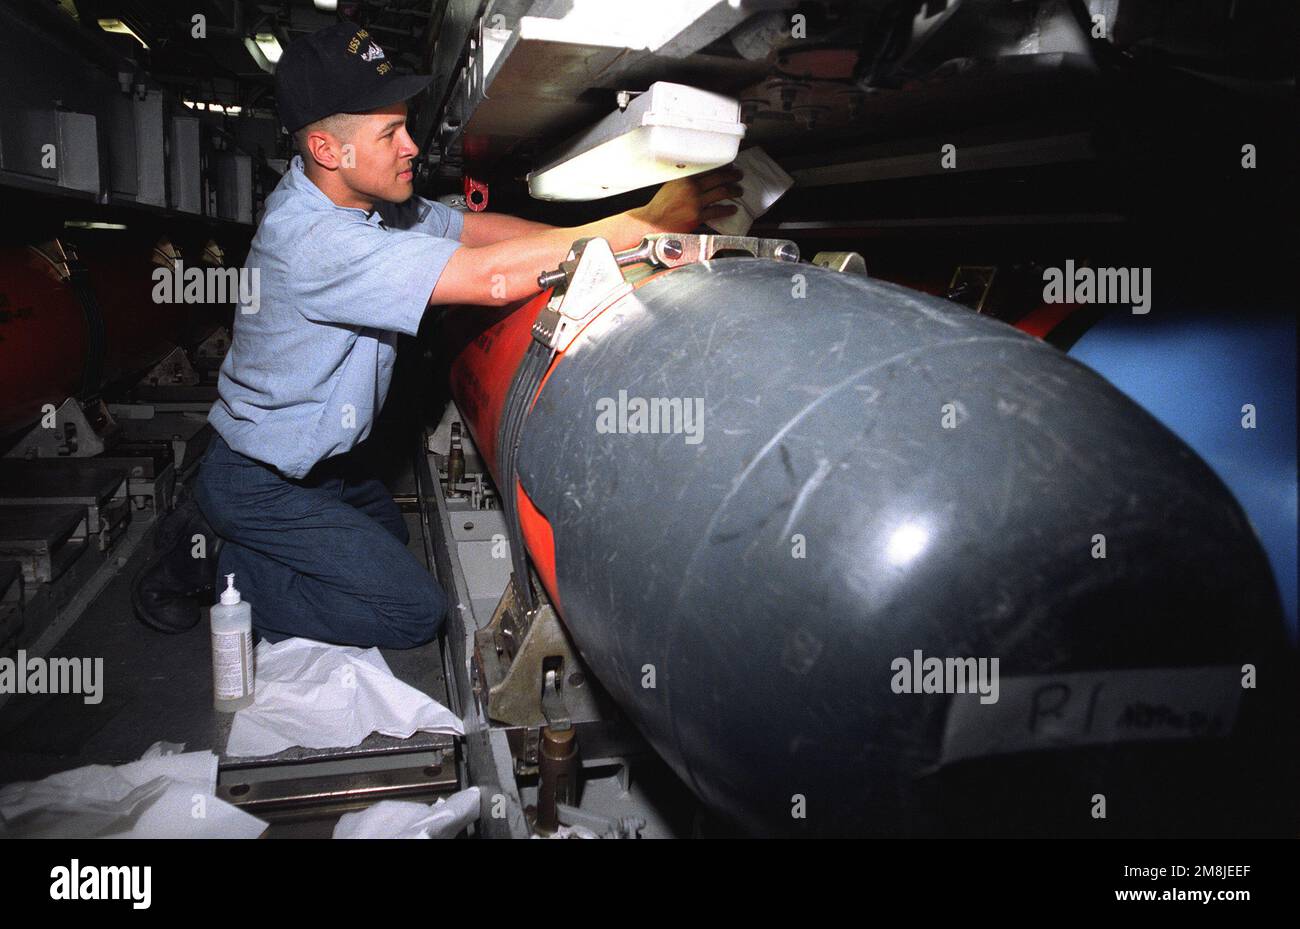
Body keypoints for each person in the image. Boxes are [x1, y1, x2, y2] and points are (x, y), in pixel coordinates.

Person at [132, 22, 742, 647]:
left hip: (325, 468)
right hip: (261, 477)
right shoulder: (315, 241)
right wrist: (640, 226)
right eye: (389, 133)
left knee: (389, 539)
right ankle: (211, 563)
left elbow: (473, 231)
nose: (411, 146)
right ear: (327, 149)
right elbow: (491, 280)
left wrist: (609, 226)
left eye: (406, 124)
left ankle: (240, 532)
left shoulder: (367, 202)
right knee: (410, 611)